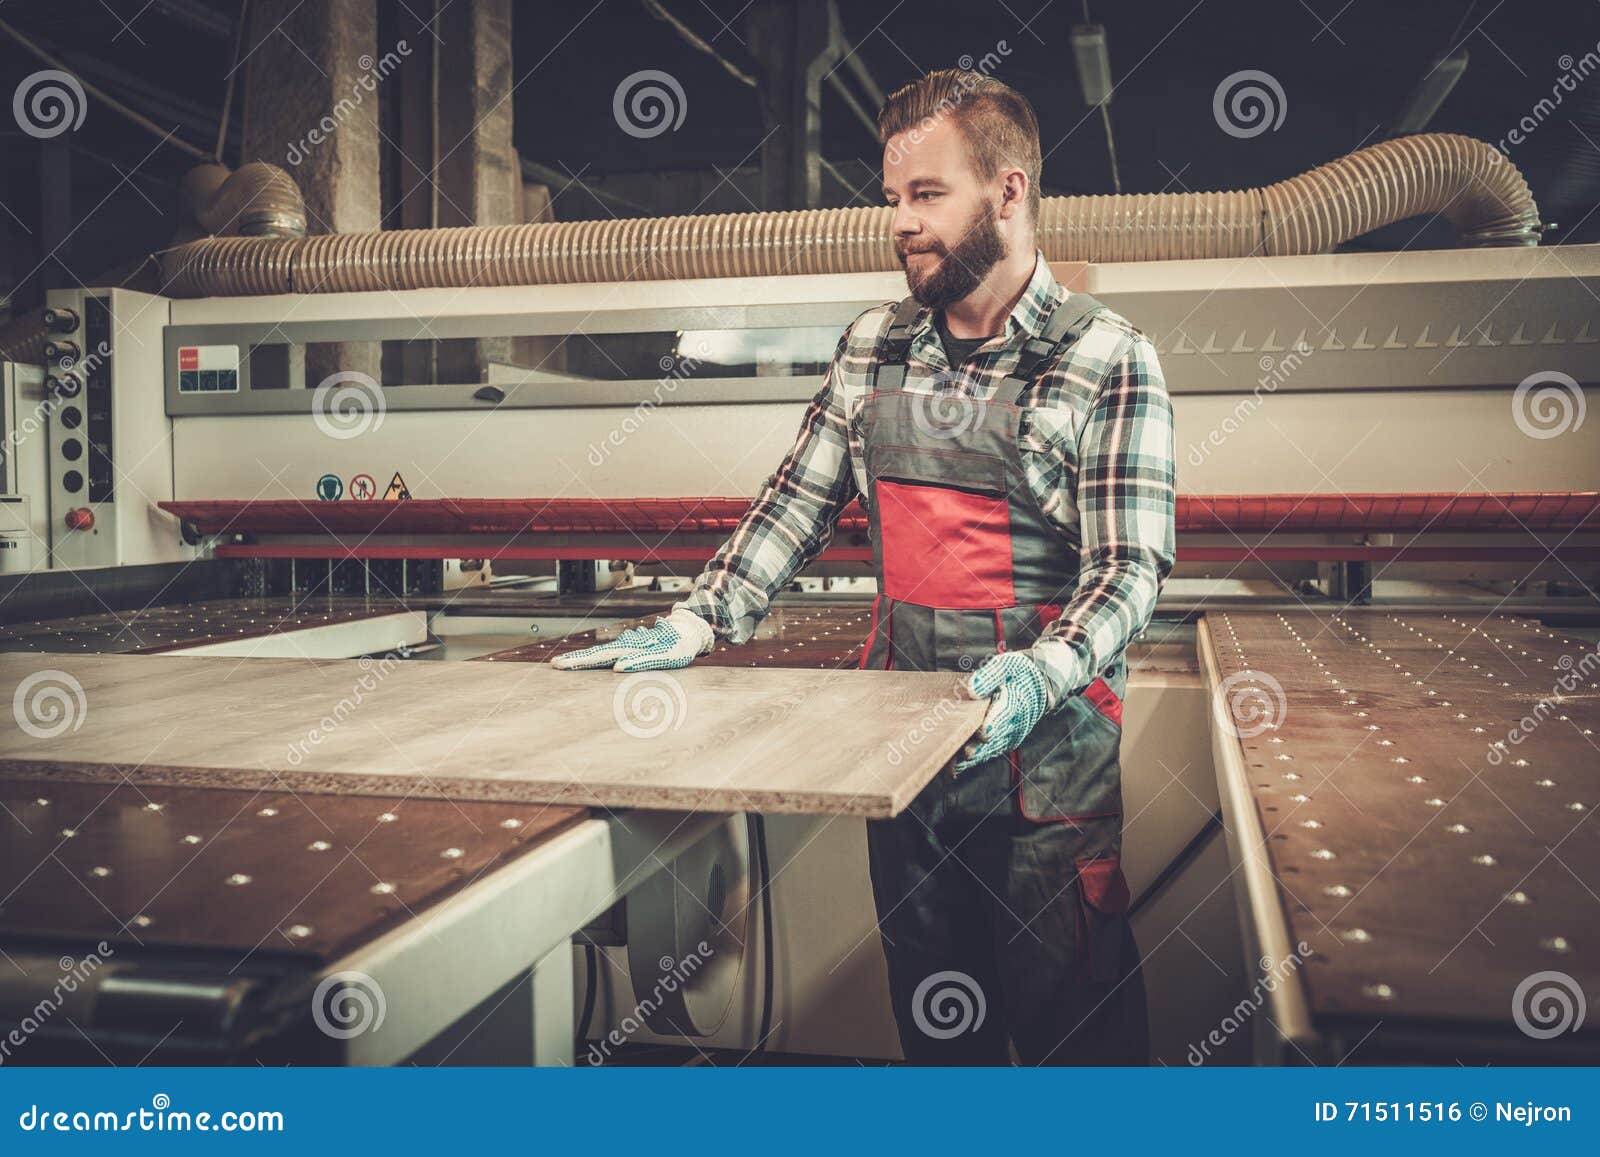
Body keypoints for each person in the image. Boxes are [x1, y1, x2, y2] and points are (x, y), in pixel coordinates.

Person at [552, 68, 1176, 1065]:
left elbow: (1129, 566)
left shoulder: (1102, 356)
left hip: (1041, 772)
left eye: (927, 195)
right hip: (902, 758)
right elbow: (799, 498)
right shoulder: (873, 346)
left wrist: (1041, 671)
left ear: (1008, 192)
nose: (901, 223)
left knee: (1076, 1038)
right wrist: (698, 618)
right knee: (938, 1032)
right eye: (893, 198)